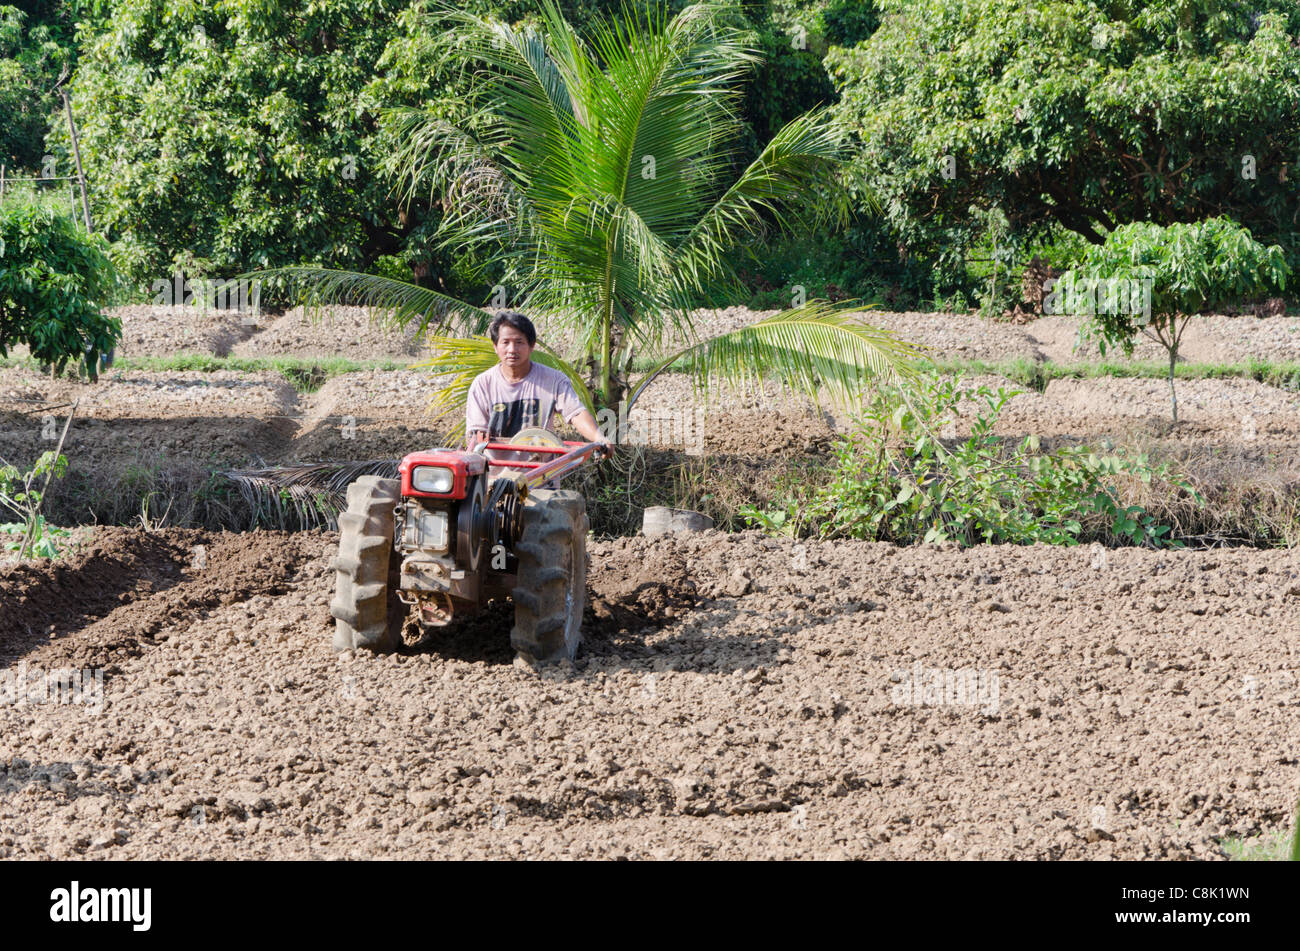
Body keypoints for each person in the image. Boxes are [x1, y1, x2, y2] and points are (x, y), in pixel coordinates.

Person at [466, 312, 609, 457]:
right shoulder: (483, 384)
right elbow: (476, 435)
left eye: (519, 342)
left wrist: (599, 438)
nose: (512, 349)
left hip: (542, 474)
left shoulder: (554, 380)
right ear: (495, 346)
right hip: (495, 474)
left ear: (532, 346)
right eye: (505, 342)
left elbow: (576, 413)